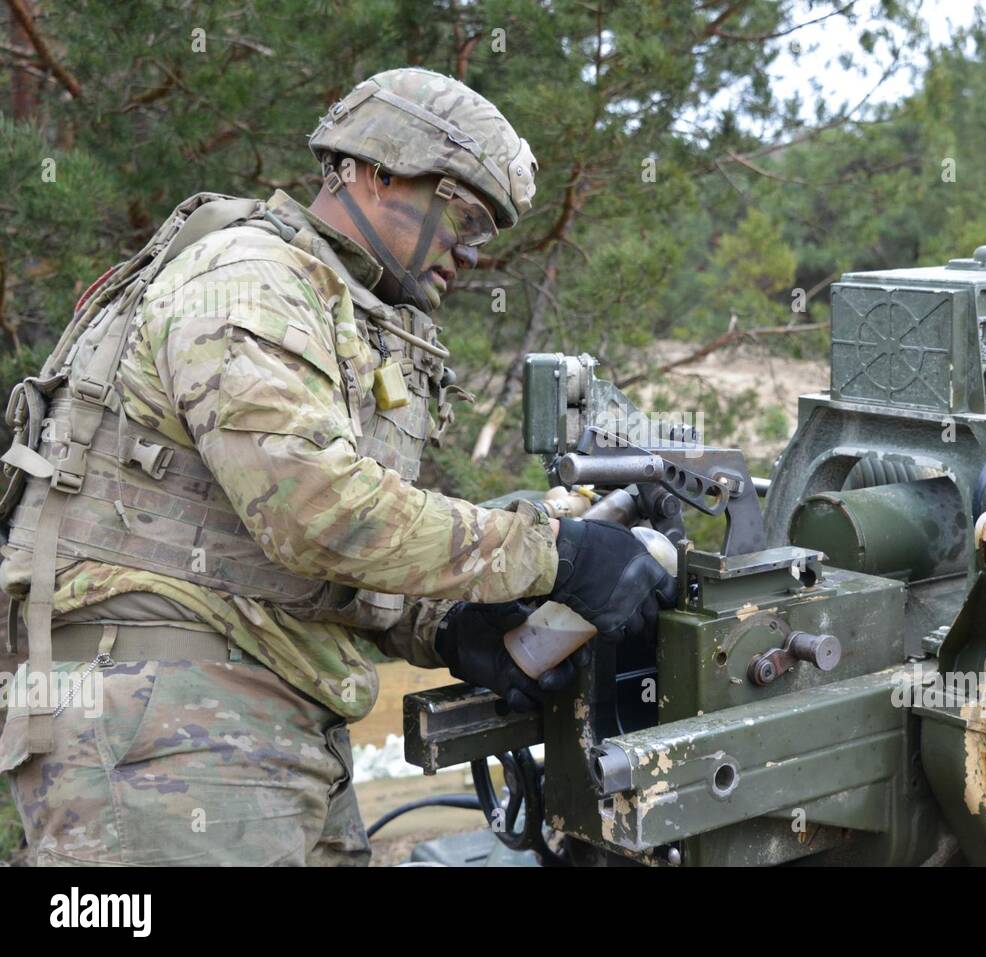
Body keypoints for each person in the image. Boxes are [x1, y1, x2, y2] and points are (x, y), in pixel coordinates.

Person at [0, 67, 674, 866]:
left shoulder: (333, 306)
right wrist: (553, 554)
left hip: (253, 715)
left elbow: (291, 551)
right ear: (379, 167)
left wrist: (448, 627)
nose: (470, 252)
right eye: (464, 214)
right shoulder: (249, 280)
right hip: (170, 726)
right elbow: (314, 511)